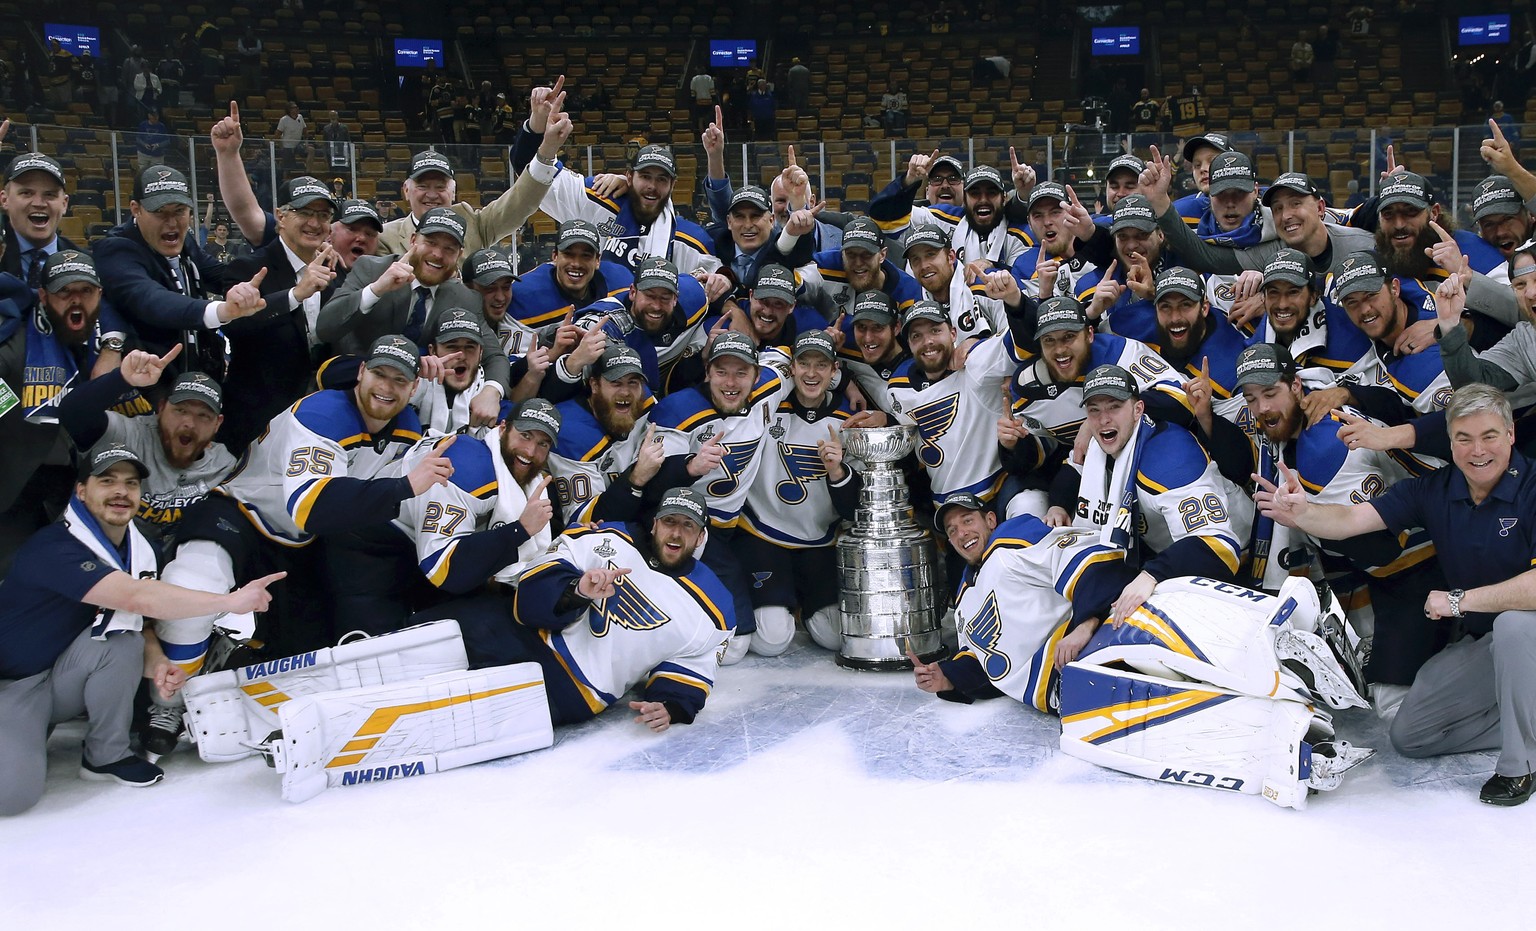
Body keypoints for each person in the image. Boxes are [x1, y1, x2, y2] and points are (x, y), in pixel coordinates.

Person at [1256, 383, 1536, 806]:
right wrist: (1306, 512)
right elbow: (1352, 518)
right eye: (1464, 438)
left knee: (1516, 624)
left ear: (1511, 434)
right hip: (1488, 642)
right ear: (1450, 441)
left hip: (1520, 631)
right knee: (1411, 734)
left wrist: (1459, 601)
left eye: (1489, 436)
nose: (1477, 450)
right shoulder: (1436, 489)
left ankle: (1520, 765)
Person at [0, 443, 284, 814]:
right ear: (81, 491)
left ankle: (105, 756)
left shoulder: (137, 547)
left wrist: (158, 664)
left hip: (54, 678)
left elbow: (136, 622)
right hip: (11, 687)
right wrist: (228, 603)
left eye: (131, 483)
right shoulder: (56, 546)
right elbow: (137, 598)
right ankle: (21, 735)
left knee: (121, 641)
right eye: (107, 481)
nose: (121, 491)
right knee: (12, 797)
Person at [440, 487, 733, 732]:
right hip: (516, 631)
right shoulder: (608, 537)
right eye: (670, 521)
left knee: (449, 715)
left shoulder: (715, 607)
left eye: (688, 526)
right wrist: (577, 591)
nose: (677, 533)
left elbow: (693, 666)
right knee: (423, 638)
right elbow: (532, 593)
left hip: (568, 687)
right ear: (655, 524)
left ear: (700, 538)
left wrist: (671, 706)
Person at [331, 398, 564, 637]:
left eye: (543, 444)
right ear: (503, 427)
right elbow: (443, 569)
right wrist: (519, 530)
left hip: (413, 551)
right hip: (367, 543)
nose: (530, 451)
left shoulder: (525, 478)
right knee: (371, 654)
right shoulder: (465, 469)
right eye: (525, 436)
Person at [1051, 364, 1253, 621]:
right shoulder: (1104, 441)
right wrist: (1057, 505)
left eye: (1114, 407)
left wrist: (1151, 575)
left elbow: (1219, 547)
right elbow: (1074, 469)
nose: (1103, 420)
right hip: (1165, 553)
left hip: (1237, 559)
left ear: (1138, 410)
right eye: (1094, 410)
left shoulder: (1169, 459)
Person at [320, 206, 514, 426]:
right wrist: (376, 290)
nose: (438, 254)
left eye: (449, 249)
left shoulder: (464, 298)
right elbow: (326, 328)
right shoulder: (372, 269)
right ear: (413, 240)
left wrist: (492, 391)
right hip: (352, 395)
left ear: (460, 255)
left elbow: (494, 357)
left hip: (414, 411)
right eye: (430, 243)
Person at [737, 330, 862, 656]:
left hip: (819, 541)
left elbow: (854, 509)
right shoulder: (769, 404)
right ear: (792, 367)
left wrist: (837, 471)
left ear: (834, 370)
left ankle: (797, 599)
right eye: (804, 363)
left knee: (834, 636)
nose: (811, 373)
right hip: (763, 534)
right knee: (771, 641)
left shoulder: (847, 421)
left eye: (821, 365)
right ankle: (776, 600)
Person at [0, 251, 126, 573]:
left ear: (99, 294)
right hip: (16, 486)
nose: (76, 301)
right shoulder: (14, 351)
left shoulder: (110, 342)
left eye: (85, 291)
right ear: (43, 297)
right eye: (64, 292)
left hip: (79, 486)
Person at [95, 165, 269, 380]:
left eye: (179, 211)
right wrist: (221, 311)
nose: (172, 223)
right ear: (135, 209)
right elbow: (151, 299)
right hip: (144, 386)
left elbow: (221, 275)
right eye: (159, 212)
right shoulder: (116, 249)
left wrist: (288, 261)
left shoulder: (184, 241)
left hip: (194, 378)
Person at [57, 346, 236, 544]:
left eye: (203, 415)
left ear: (217, 424)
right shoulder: (129, 433)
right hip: (95, 549)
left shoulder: (223, 466)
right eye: (180, 410)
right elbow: (72, 414)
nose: (189, 423)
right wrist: (121, 379)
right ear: (161, 408)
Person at [220, 177, 343, 452]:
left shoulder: (336, 271)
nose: (314, 223)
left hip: (318, 426)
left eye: (322, 215)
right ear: (281, 216)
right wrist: (295, 295)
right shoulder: (247, 268)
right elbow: (234, 327)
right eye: (304, 212)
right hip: (256, 427)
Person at [376, 118, 562, 261]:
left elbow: (518, 203)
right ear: (406, 191)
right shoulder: (385, 237)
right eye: (422, 186)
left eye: (440, 187)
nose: (432, 194)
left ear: (453, 192)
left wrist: (546, 152)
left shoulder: (472, 223)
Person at [1, 151, 82, 283]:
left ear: (64, 204)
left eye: (50, 194)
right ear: (5, 200)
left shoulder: (88, 265)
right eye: (26, 193)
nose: (39, 203)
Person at [275, 102, 307, 173]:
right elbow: (277, 134)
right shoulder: (284, 120)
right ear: (289, 110)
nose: (297, 109)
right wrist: (281, 146)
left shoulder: (300, 117)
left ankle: (308, 171)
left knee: (311, 150)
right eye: (294, 108)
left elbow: (305, 130)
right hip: (287, 146)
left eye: (297, 107)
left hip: (298, 145)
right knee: (288, 166)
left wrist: (306, 142)